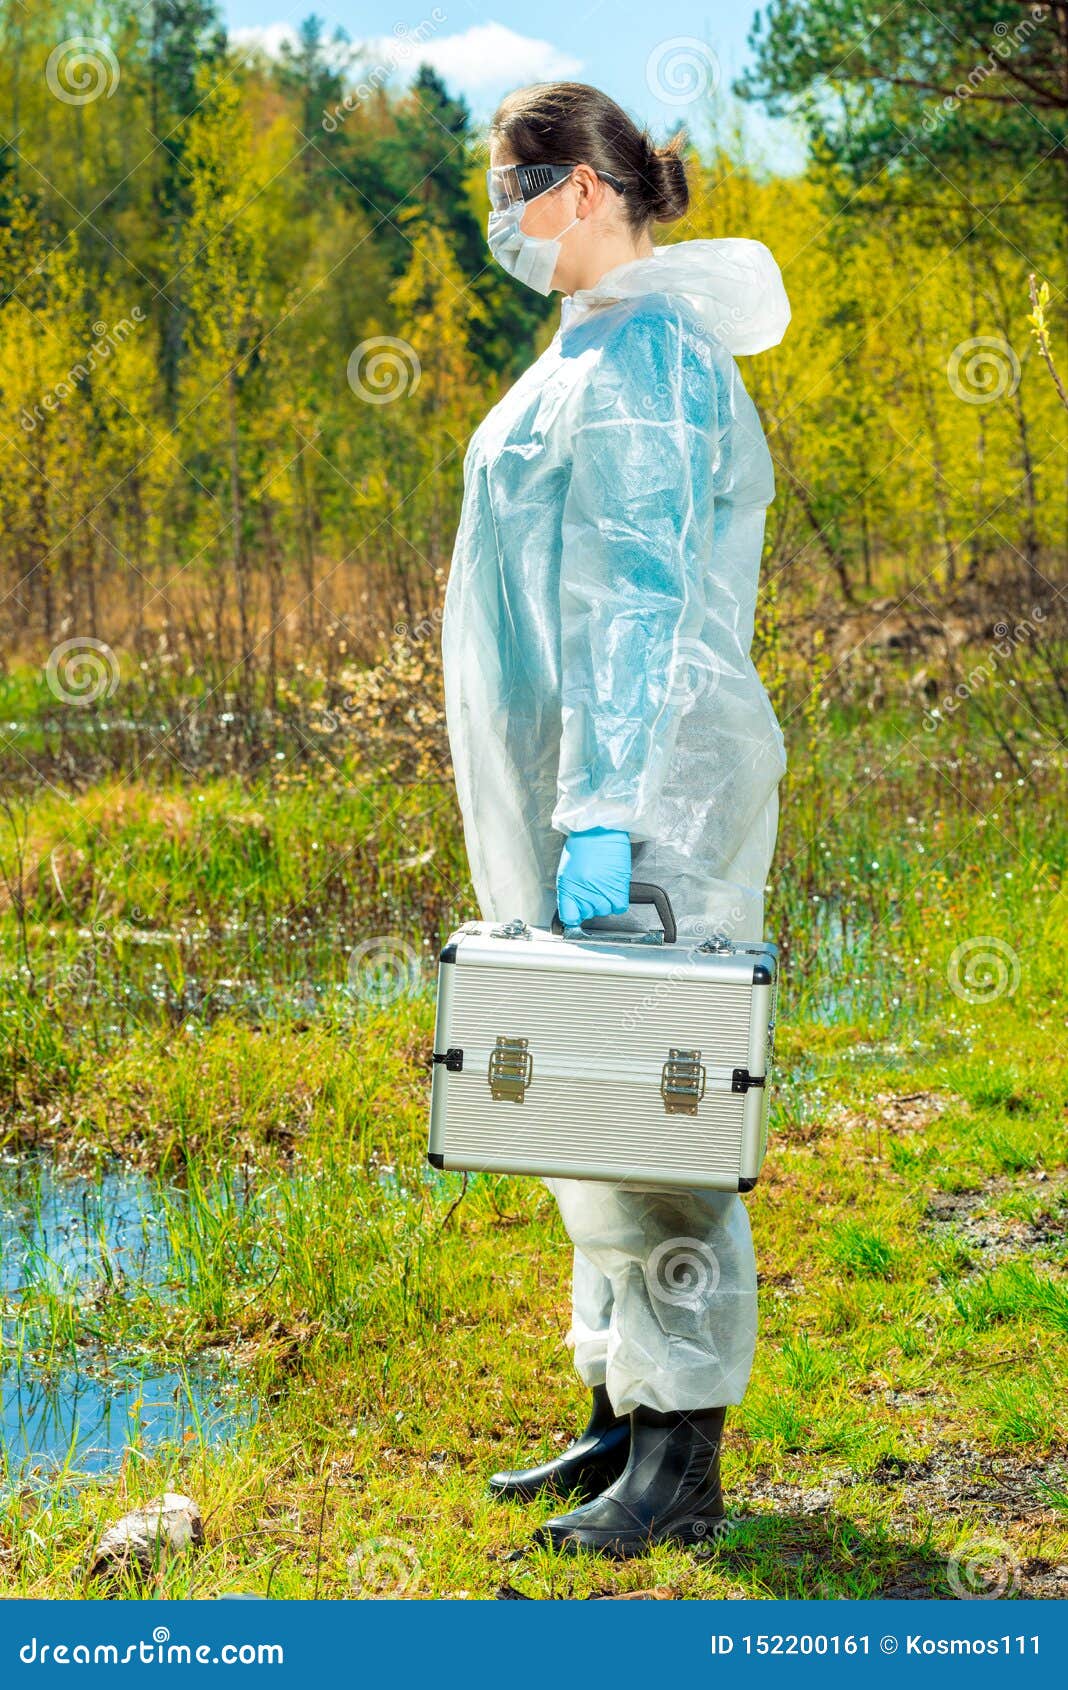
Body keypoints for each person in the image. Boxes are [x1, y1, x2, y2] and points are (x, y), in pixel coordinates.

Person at [440, 81, 790, 1558]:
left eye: (514, 191)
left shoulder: (646, 356)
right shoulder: (586, 351)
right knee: (588, 1101)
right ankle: (616, 1406)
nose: (503, 221)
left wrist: (607, 809)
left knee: (661, 1113)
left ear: (583, 188)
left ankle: (682, 1460)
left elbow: (637, 592)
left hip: (646, 790)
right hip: (568, 779)